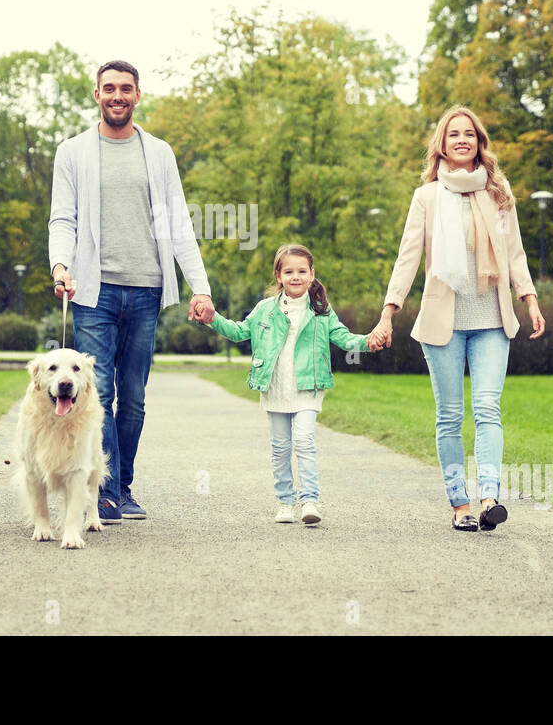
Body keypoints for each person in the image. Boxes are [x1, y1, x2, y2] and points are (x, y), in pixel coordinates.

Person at [49, 59, 215, 524]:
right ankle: (101, 492)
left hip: (145, 289)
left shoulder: (159, 153)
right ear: (97, 94)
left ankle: (122, 487)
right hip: (92, 291)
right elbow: (63, 217)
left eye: (126, 89)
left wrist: (199, 289)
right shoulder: (73, 151)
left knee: (134, 396)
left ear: (138, 95)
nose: (117, 96)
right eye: (109, 89)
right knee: (96, 390)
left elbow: (178, 224)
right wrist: (60, 264)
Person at [367, 105, 546, 532]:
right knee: (450, 416)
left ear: (479, 143)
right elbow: (407, 257)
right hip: (441, 321)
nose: (462, 139)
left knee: (487, 407)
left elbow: (515, 253)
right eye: (454, 134)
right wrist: (388, 313)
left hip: (491, 318)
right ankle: (459, 505)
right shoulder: (427, 197)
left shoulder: (499, 192)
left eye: (470, 134)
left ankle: (489, 499)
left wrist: (530, 297)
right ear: (442, 145)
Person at [201, 243, 379, 525]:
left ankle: (309, 500)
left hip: (308, 386)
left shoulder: (321, 311)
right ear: (278, 276)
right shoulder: (265, 309)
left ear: (311, 275)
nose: (295, 276)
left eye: (301, 271)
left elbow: (345, 339)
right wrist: (213, 319)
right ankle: (285, 502)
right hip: (275, 387)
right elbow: (239, 332)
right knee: (280, 447)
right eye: (289, 271)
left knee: (304, 441)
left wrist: (369, 341)